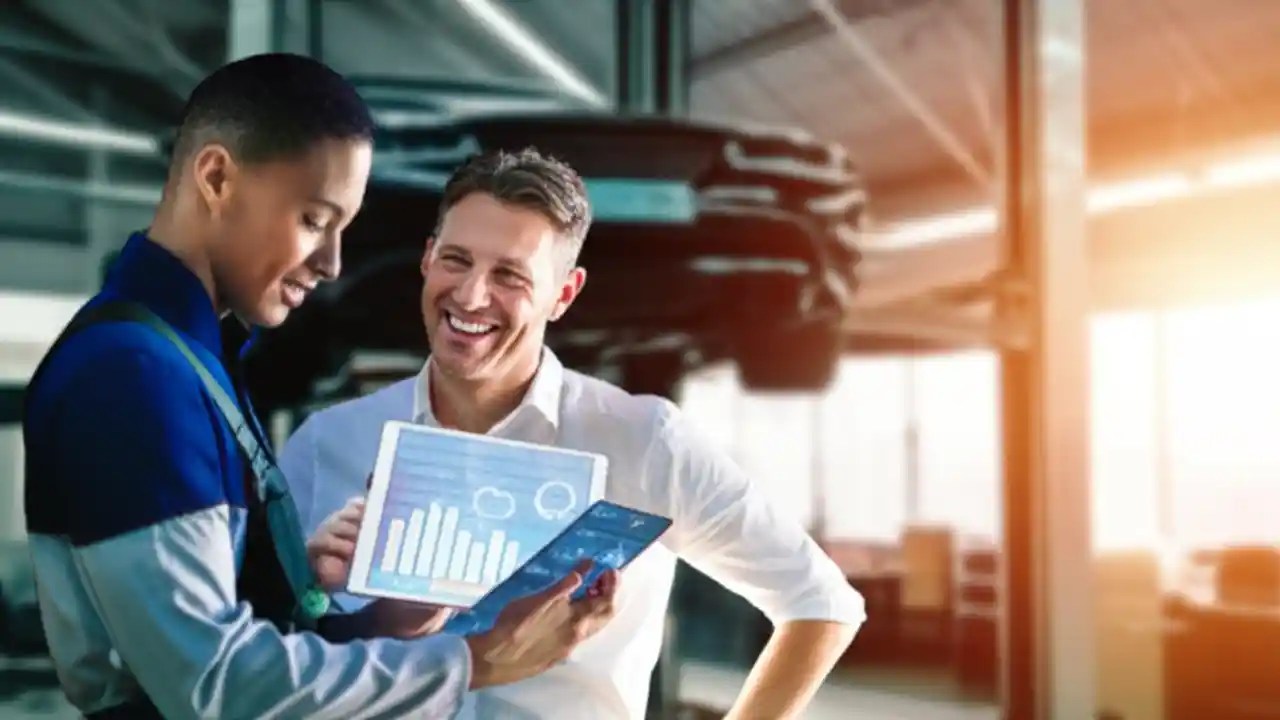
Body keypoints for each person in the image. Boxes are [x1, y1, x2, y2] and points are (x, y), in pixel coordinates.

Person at [21, 53, 616, 720]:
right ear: (216, 177)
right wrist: (477, 660)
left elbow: (226, 645)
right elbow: (214, 684)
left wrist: (381, 622)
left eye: (342, 230)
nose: (331, 264)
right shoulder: (132, 375)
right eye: (313, 220)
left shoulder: (192, 362)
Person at [283, 147, 867, 720]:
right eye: (456, 261)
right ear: (428, 258)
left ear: (563, 294)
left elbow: (820, 601)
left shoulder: (644, 441)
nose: (471, 295)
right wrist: (311, 588)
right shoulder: (327, 445)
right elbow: (263, 653)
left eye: (509, 275)